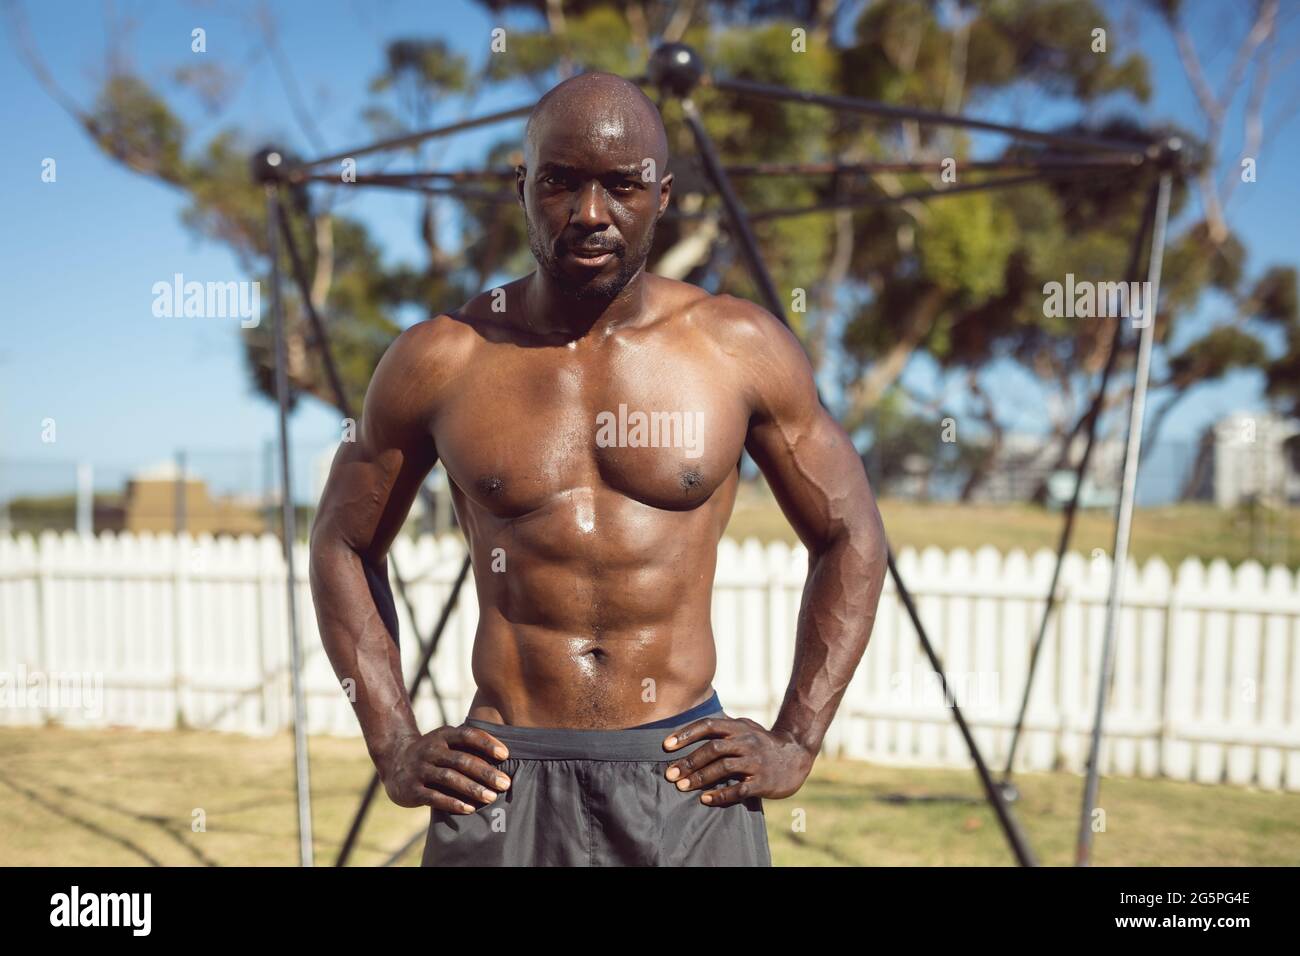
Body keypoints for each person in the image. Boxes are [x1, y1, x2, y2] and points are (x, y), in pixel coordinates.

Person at [308, 70, 888, 867]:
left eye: (621, 185)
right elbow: (342, 542)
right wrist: (395, 743)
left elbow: (851, 531)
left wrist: (797, 738)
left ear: (663, 193)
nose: (589, 214)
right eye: (560, 183)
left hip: (685, 778)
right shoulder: (442, 357)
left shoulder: (736, 348)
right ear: (522, 187)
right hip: (500, 778)